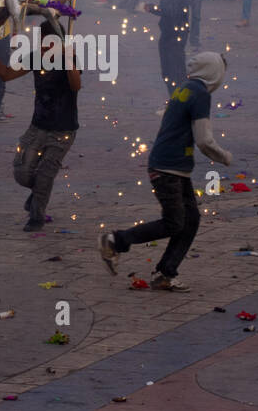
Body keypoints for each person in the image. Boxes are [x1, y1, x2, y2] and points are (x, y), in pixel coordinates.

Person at [98, 52, 231, 290]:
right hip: (168, 167)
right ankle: (116, 240)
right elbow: (204, 140)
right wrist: (223, 156)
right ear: (215, 73)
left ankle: (165, 273)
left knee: (190, 220)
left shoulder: (187, 87)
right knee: (174, 223)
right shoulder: (200, 94)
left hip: (172, 166)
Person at [0, 16, 81, 232]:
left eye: (49, 44)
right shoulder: (36, 57)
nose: (45, 48)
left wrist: (68, 62)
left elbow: (75, 85)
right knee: (22, 172)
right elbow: (6, 74)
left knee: (46, 174)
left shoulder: (70, 57)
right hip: (38, 126)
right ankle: (38, 192)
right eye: (42, 43)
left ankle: (36, 217)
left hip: (63, 130)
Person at [146, 0, 192, 95]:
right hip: (167, 32)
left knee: (175, 71)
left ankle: (180, 104)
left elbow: (172, 9)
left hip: (176, 33)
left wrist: (155, 8)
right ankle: (175, 102)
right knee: (167, 71)